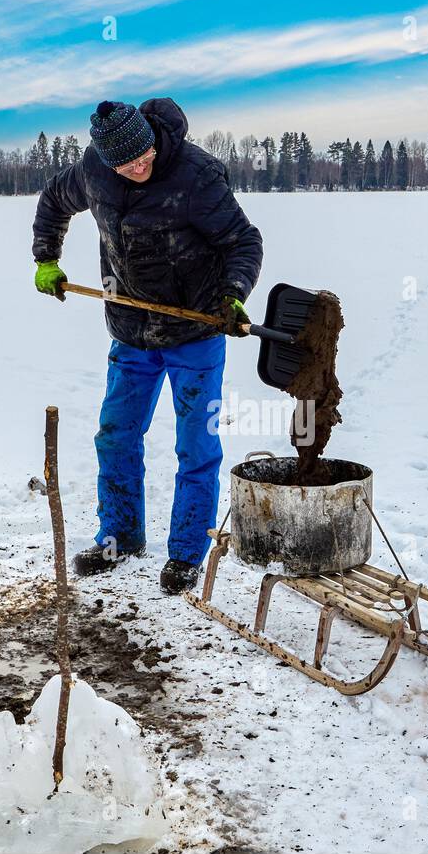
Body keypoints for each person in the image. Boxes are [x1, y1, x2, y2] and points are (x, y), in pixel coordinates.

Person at [32, 98, 263, 594]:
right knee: (115, 435)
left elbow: (243, 241)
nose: (138, 168)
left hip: (195, 333)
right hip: (131, 330)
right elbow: (53, 199)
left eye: (144, 157)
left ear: (153, 141)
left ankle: (186, 553)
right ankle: (119, 538)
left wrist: (233, 295)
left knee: (195, 445)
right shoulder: (94, 171)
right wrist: (46, 258)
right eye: (125, 164)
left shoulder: (196, 176)